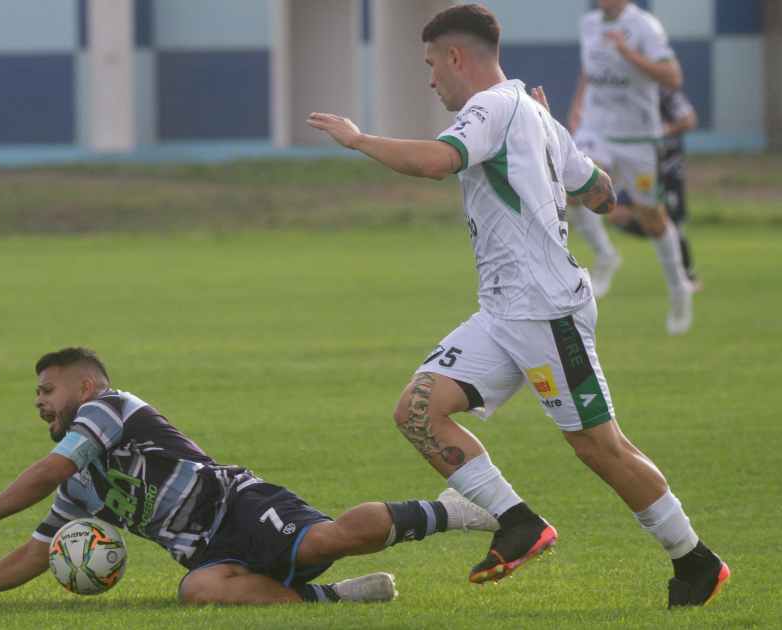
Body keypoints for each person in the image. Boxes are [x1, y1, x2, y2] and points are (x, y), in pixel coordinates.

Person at [306, 4, 728, 608]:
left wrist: (358, 138)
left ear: (457, 57)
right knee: (419, 411)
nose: (431, 80)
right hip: (503, 311)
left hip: (547, 310)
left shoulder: (495, 107)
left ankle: (696, 561)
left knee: (599, 448)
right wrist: (554, 142)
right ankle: (518, 522)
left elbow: (434, 162)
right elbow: (603, 196)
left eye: (432, 65)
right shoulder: (532, 113)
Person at [0, 347, 499, 606]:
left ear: (86, 387)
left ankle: (449, 510)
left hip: (238, 505)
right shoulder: (83, 484)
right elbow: (35, 554)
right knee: (199, 591)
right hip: (206, 552)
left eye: (48, 390)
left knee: (326, 540)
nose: (40, 403)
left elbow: (49, 469)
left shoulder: (110, 408)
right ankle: (331, 599)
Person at [566, 0, 695, 334]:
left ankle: (679, 287)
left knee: (650, 215)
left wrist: (630, 55)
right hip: (596, 130)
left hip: (638, 138)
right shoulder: (590, 24)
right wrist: (578, 106)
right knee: (572, 189)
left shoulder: (644, 26)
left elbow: (673, 76)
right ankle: (606, 254)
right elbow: (588, 70)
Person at [611, 87, 700, 288]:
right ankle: (658, 233)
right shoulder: (629, 92)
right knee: (618, 214)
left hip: (668, 170)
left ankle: (688, 275)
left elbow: (689, 119)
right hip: (641, 167)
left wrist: (660, 130)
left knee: (674, 224)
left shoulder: (667, 93)